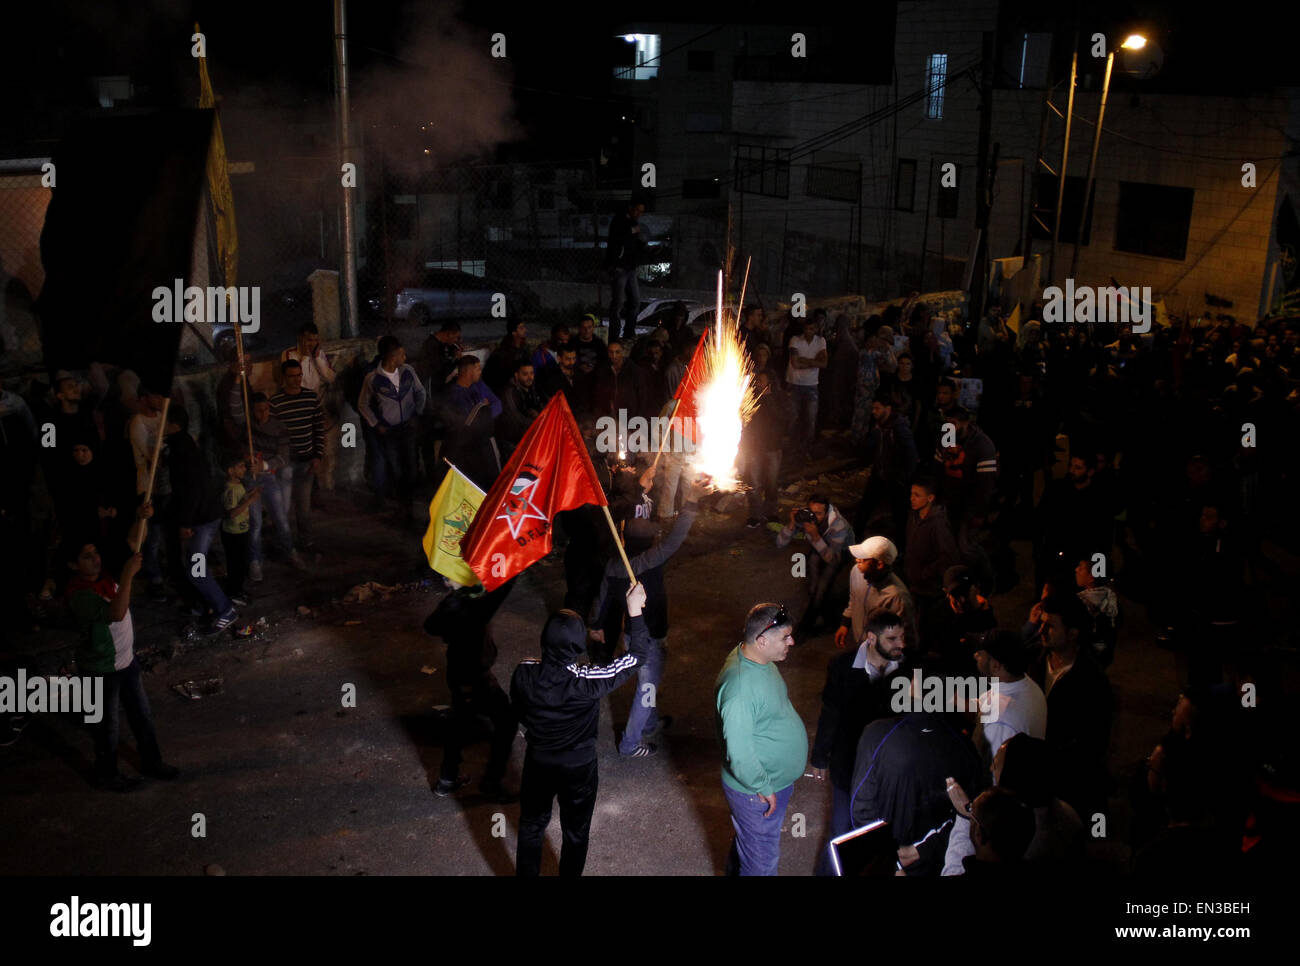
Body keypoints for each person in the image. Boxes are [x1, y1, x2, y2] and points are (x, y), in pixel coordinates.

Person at [511, 582, 650, 876]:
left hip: (539, 761)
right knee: (575, 831)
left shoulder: (524, 671)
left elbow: (520, 709)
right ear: (577, 646)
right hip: (578, 767)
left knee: (531, 826)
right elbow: (637, 656)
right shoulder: (588, 680)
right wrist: (635, 610)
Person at [590, 473, 707, 758]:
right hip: (648, 637)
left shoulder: (616, 564)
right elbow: (675, 539)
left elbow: (602, 598)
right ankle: (631, 742)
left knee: (650, 682)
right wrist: (691, 500)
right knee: (647, 686)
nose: (657, 535)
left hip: (634, 636)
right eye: (653, 534)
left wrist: (596, 625)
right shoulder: (648, 561)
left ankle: (651, 723)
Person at [65, 504, 180, 791]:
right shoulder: (79, 595)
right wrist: (128, 575)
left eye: (96, 553)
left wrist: (139, 518)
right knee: (107, 728)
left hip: (126, 661)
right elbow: (116, 613)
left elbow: (133, 542)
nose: (95, 560)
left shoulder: (105, 575)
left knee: (142, 715)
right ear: (72, 565)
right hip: (100, 669)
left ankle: (152, 761)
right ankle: (107, 775)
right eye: (87, 557)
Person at [848, 666, 983, 876]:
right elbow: (969, 814)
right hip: (936, 860)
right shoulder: (965, 746)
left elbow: (860, 805)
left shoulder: (877, 734)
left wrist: (890, 863)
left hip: (889, 861)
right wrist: (923, 850)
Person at [810, 609, 910, 874]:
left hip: (887, 768)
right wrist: (820, 757)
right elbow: (830, 713)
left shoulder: (908, 670)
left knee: (879, 830)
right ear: (871, 638)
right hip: (849, 765)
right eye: (892, 638)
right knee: (841, 831)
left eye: (902, 636)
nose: (900, 644)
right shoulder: (843, 667)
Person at [716, 603, 808, 876]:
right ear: (762, 640)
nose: (791, 641)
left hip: (769, 784)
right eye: (785, 637)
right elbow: (740, 753)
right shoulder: (740, 689)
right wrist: (762, 786)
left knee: (750, 846)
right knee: (761, 865)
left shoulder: (759, 658)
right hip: (756, 792)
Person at [424, 580, 517, 803]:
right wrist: (514, 569)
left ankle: (446, 780)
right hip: (477, 678)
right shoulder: (473, 608)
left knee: (459, 721)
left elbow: (430, 626)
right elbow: (500, 592)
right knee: (507, 722)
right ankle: (491, 782)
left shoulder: (452, 603)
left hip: (456, 673)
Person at [1027, 594, 1113, 819]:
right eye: (1042, 623)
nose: (1042, 630)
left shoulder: (1092, 682)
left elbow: (1093, 744)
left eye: (1051, 626)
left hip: (1070, 785)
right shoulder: (1032, 659)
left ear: (1073, 633)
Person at [165, 406, 239, 633]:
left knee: (196, 569)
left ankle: (225, 610)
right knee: (194, 564)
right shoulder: (182, 444)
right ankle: (205, 604)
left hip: (202, 518)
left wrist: (186, 523)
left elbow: (191, 491)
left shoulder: (182, 451)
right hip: (202, 515)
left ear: (172, 424)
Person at [358, 336, 428, 519]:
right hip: (390, 431)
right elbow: (362, 405)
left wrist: (417, 414)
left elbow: (420, 392)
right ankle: (402, 507)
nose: (405, 357)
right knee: (396, 470)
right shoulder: (373, 379)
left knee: (411, 469)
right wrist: (376, 424)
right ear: (391, 356)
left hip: (409, 427)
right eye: (401, 354)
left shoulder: (408, 371)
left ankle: (408, 506)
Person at [775, 494, 855, 636]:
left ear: (826, 512)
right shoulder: (806, 517)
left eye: (819, 513)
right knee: (813, 588)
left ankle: (803, 630)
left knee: (821, 589)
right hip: (819, 548)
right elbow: (780, 543)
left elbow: (832, 558)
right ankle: (829, 618)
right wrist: (792, 523)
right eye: (812, 512)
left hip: (839, 552)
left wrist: (816, 536)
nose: (814, 517)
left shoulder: (838, 525)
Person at [970, 629, 1047, 773]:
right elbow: (985, 702)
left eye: (980, 654)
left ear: (996, 666)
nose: (975, 656)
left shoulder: (1001, 720)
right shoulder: (1024, 683)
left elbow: (995, 777)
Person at [270, 359, 325, 553]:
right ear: (284, 378)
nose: (296, 379)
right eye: (292, 376)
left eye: (299, 375)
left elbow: (319, 428)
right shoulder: (275, 402)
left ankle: (305, 542)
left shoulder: (311, 398)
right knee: (283, 508)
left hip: (306, 460)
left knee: (303, 507)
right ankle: (284, 544)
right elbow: (271, 433)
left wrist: (318, 456)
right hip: (285, 463)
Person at [248, 392, 304, 574]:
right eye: (258, 411)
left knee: (281, 518)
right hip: (250, 480)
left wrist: (263, 465)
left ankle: (291, 552)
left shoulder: (279, 428)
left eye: (265, 410)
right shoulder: (247, 428)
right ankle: (255, 561)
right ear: (252, 411)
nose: (262, 414)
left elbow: (283, 458)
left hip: (269, 476)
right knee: (255, 523)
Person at [127, 388, 172, 602]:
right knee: (152, 537)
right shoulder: (138, 423)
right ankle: (154, 580)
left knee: (164, 533)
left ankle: (163, 570)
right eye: (155, 394)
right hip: (149, 487)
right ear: (143, 397)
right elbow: (153, 457)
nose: (160, 398)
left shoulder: (162, 417)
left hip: (165, 485)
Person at [855, 392, 918, 539]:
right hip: (880, 473)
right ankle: (854, 537)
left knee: (899, 513)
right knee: (865, 508)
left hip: (895, 477)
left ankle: (902, 547)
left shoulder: (899, 429)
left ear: (887, 408)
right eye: (873, 409)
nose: (874, 412)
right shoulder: (880, 426)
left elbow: (911, 456)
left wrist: (902, 478)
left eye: (877, 408)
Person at [435, 356, 502, 491]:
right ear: (468, 371)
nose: (480, 372)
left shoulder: (477, 386)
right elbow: (465, 423)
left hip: (482, 448)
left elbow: (497, 404)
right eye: (477, 369)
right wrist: (482, 410)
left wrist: (484, 413)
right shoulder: (451, 394)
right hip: (462, 453)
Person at [837, 536, 916, 651]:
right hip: (859, 645)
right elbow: (854, 599)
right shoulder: (856, 572)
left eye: (863, 559)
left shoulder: (897, 596)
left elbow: (906, 638)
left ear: (879, 565)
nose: (857, 560)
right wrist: (845, 624)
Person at [903, 478, 959, 639]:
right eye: (911, 494)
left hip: (929, 591)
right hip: (915, 585)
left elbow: (949, 557)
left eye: (917, 495)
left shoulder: (938, 524)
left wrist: (925, 573)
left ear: (930, 498)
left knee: (926, 630)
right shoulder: (914, 516)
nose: (911, 498)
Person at [742, 369, 789, 526]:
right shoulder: (751, 398)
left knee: (772, 482)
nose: (758, 384)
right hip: (755, 447)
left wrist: (768, 398)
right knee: (753, 483)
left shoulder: (779, 398)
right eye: (757, 381)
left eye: (761, 381)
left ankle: (771, 513)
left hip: (773, 447)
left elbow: (783, 418)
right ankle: (755, 515)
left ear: (770, 383)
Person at [785, 313, 827, 462]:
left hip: (811, 385)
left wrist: (805, 360)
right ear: (804, 329)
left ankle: (805, 450)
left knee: (810, 420)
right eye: (808, 328)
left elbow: (824, 363)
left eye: (813, 328)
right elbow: (795, 363)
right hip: (795, 384)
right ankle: (792, 450)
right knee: (793, 419)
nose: (810, 331)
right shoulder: (795, 340)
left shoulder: (821, 341)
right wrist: (813, 361)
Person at [220, 454, 260, 606]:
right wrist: (250, 500)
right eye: (240, 466)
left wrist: (250, 495)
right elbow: (231, 513)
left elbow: (239, 502)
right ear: (231, 471)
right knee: (235, 564)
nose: (245, 469)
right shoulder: (230, 489)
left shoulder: (239, 485)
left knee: (240, 563)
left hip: (241, 530)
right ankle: (233, 592)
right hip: (233, 533)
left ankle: (238, 589)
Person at [606, 198, 647, 341]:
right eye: (637, 210)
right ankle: (614, 337)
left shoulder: (633, 223)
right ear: (630, 208)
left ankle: (629, 332)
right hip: (619, 267)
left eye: (641, 212)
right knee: (618, 303)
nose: (638, 214)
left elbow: (634, 244)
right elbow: (617, 239)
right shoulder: (619, 221)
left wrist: (643, 246)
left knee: (635, 301)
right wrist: (632, 231)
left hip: (630, 268)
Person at [496, 361, 543, 459]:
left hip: (526, 438)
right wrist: (539, 423)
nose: (530, 377)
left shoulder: (531, 387)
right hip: (512, 442)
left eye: (531, 373)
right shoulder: (509, 393)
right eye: (525, 374)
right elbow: (516, 418)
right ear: (516, 375)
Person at [483, 318, 531, 395]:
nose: (525, 330)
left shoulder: (523, 348)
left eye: (524, 327)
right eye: (521, 328)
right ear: (514, 332)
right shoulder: (504, 351)